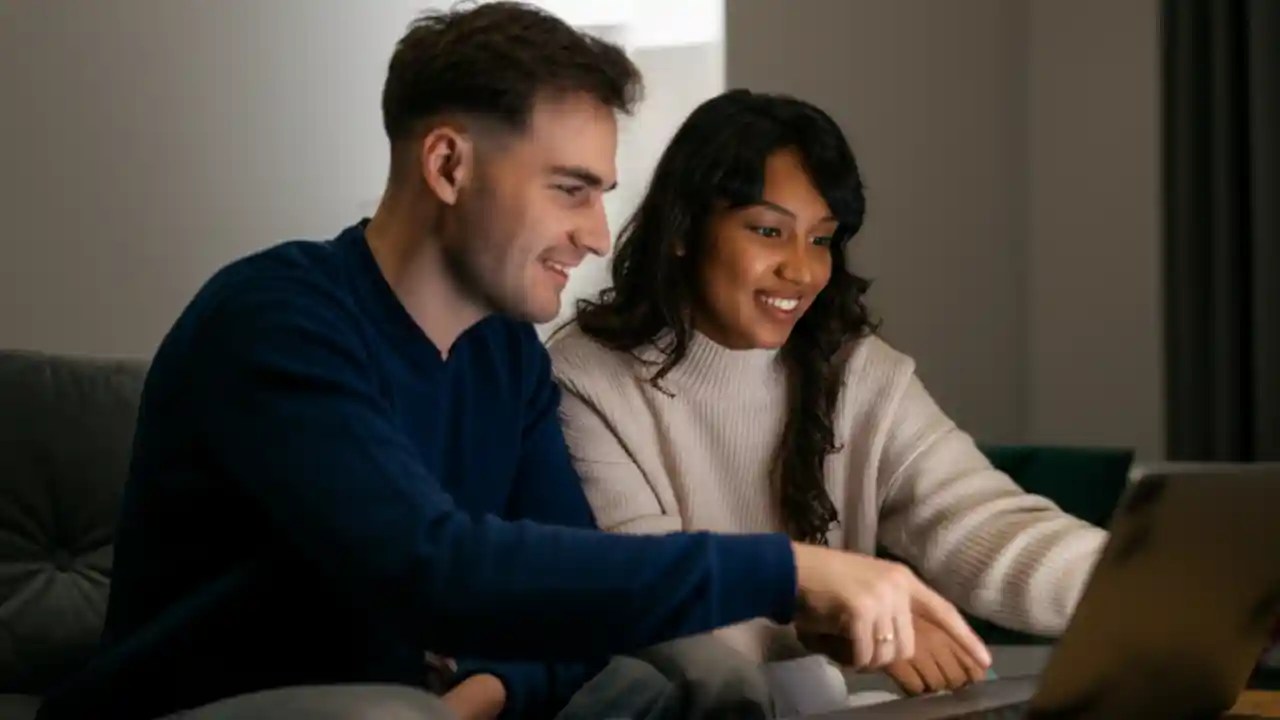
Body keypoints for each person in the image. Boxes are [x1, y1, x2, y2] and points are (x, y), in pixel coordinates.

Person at [34, 6, 990, 720]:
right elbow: (436, 568)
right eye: (570, 190)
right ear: (448, 166)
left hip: (418, 701)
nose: (598, 233)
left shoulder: (507, 357)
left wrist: (487, 692)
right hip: (213, 708)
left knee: (695, 681)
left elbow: (575, 593)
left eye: (602, 193)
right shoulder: (277, 320)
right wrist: (787, 570)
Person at [548, 89, 1110, 715]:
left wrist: (1152, 590)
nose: (802, 271)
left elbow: (981, 524)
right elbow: (654, 598)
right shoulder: (584, 376)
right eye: (768, 231)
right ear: (682, 230)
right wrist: (836, 614)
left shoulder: (859, 371)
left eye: (821, 240)